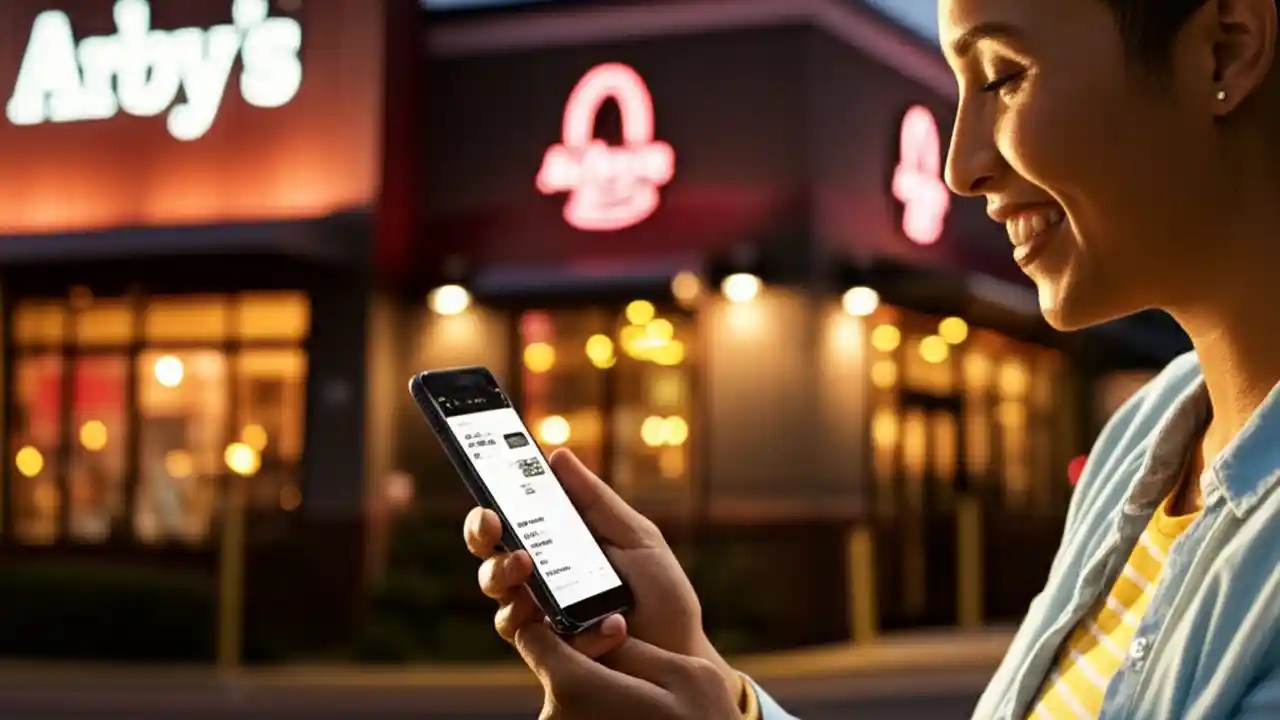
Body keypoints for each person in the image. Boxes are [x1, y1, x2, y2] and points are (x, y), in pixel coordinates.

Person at [462, 0, 1280, 716]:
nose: (961, 166)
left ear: (1225, 49)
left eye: (1003, 75)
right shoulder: (1141, 444)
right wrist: (717, 698)